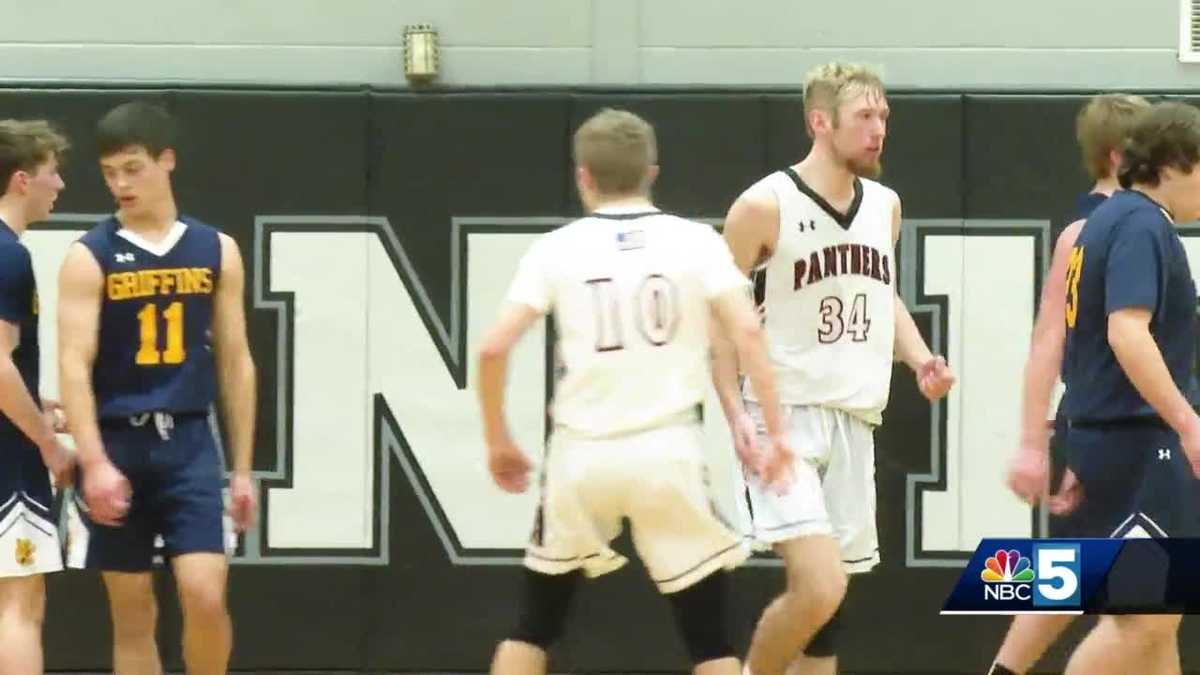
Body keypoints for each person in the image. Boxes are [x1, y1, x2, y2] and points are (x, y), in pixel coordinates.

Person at [478, 108, 793, 675]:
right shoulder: (695, 241)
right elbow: (748, 331)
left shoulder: (557, 248)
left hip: (580, 457)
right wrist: (780, 436)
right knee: (711, 641)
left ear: (583, 177)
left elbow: (493, 348)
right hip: (666, 453)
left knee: (535, 625)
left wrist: (498, 440)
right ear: (652, 171)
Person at [714, 62, 955, 675]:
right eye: (864, 118)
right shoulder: (762, 205)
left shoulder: (885, 205)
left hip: (855, 414)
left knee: (831, 603)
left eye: (884, 118)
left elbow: (882, 293)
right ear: (820, 122)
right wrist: (734, 412)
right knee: (820, 586)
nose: (879, 131)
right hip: (783, 417)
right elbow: (719, 319)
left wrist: (919, 356)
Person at [57, 101, 257, 675]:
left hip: (190, 444)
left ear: (166, 161)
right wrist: (93, 463)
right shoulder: (89, 255)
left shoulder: (215, 248)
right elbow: (73, 365)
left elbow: (237, 362)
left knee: (205, 594)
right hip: (118, 443)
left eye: (133, 168)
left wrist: (242, 470)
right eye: (110, 173)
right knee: (132, 612)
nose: (120, 183)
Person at [994, 93, 1150, 675]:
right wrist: (1032, 443)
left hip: (1131, 434)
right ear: (1118, 155)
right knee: (1082, 582)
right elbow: (1045, 344)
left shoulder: (1139, 222)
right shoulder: (1092, 230)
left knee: (1147, 604)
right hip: (1102, 432)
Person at [1050, 101, 1200, 675]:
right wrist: (1188, 424)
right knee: (1146, 617)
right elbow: (1127, 331)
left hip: (1108, 438)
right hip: (1134, 443)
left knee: (1156, 615)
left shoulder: (1109, 220)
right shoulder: (1142, 224)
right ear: (1172, 162)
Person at [0, 119, 73, 675]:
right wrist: (46, 441)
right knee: (19, 605)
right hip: (7, 459)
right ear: (22, 180)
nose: (60, 186)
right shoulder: (8, 256)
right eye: (53, 173)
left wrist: (33, 399)